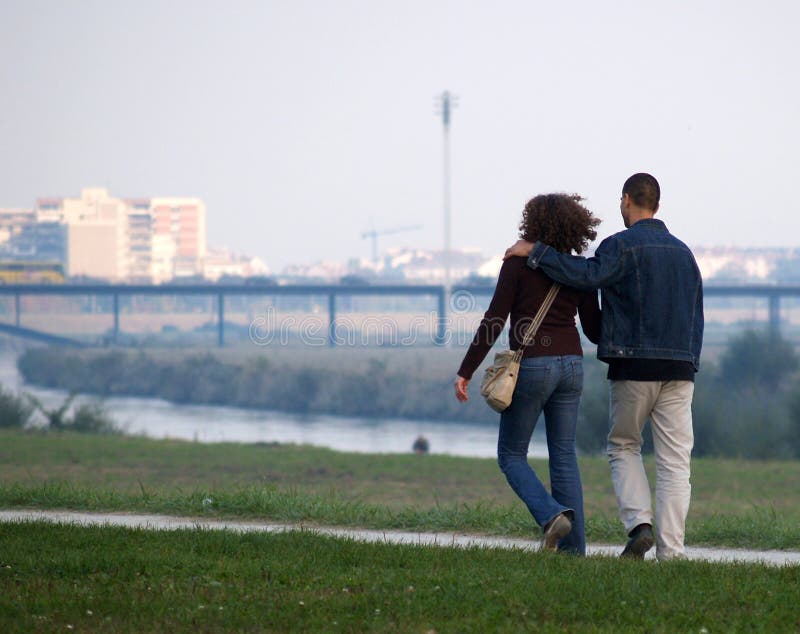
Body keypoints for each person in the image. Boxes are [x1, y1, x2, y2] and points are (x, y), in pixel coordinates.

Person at [504, 173, 704, 561]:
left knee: (624, 445)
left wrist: (537, 251)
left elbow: (587, 276)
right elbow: (697, 313)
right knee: (676, 462)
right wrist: (690, 358)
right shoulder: (685, 254)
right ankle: (673, 554)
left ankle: (639, 524)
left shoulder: (620, 246)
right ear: (658, 206)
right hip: (681, 369)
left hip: (634, 367)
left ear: (626, 201)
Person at [454, 193, 601, 555]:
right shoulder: (578, 269)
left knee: (511, 455)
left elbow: (494, 319)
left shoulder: (518, 265)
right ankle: (573, 552)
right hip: (573, 366)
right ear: (575, 227)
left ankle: (551, 516)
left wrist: (466, 370)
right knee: (564, 456)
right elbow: (596, 330)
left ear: (531, 224)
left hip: (533, 365)